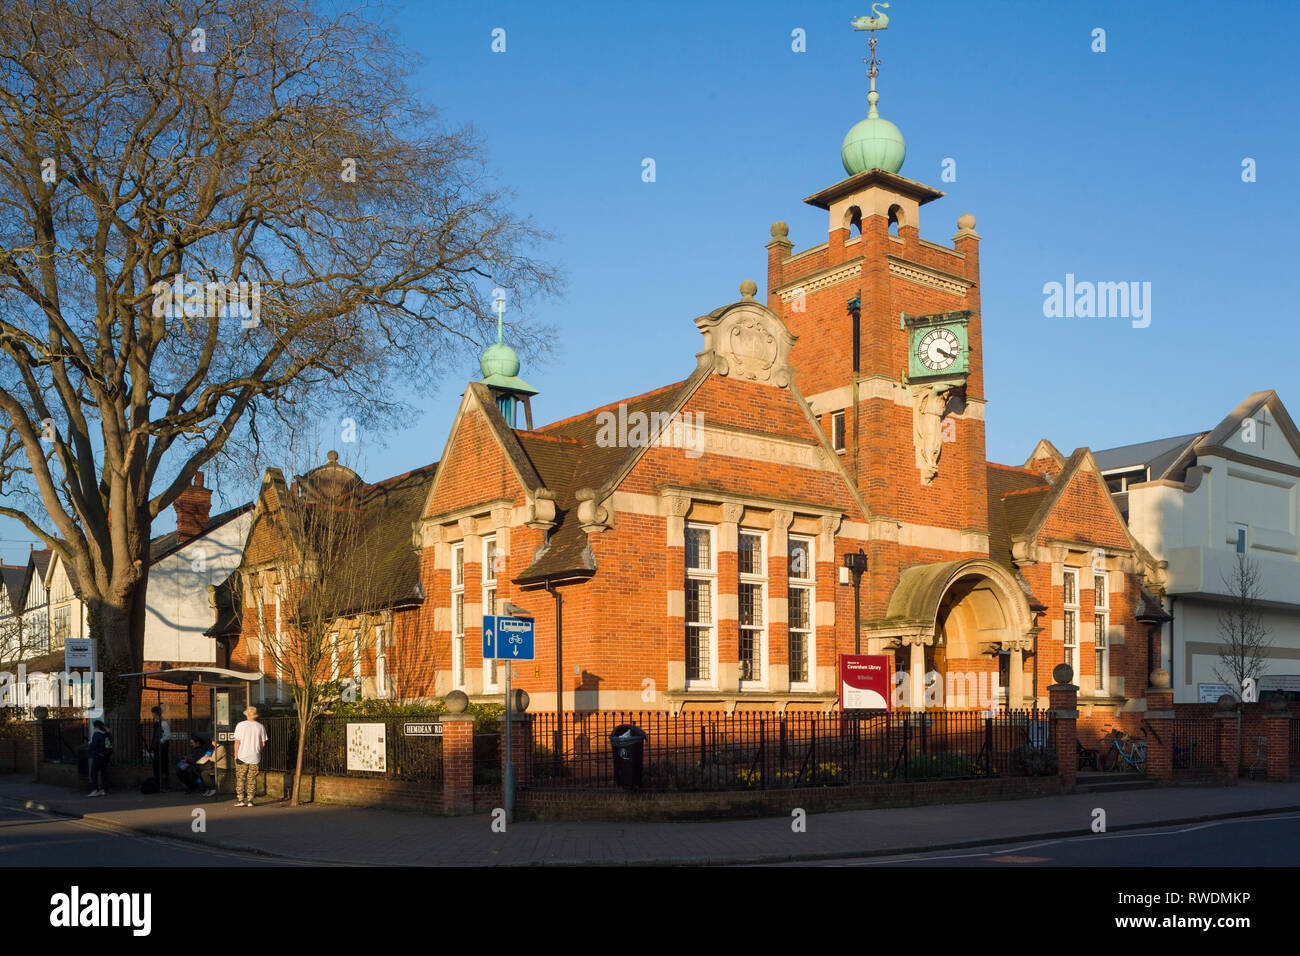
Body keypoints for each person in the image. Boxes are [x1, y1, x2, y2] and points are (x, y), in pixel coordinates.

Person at [232, 705, 268, 807]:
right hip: (255, 757)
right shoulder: (260, 727)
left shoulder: (240, 725)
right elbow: (263, 744)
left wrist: (236, 755)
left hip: (242, 755)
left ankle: (240, 799)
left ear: (246, 714)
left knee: (240, 778)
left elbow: (237, 742)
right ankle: (250, 800)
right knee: (252, 779)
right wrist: (258, 752)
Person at [146, 705, 171, 792]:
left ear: (155, 713)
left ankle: (164, 786)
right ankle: (158, 785)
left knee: (162, 766)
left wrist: (160, 741)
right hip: (157, 748)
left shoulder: (163, 723)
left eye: (152, 713)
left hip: (162, 749)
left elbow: (167, 735)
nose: (152, 715)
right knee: (157, 767)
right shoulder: (157, 722)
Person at [87, 720, 113, 797]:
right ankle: (103, 790)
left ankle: (95, 790)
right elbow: (110, 743)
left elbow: (93, 746)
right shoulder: (108, 733)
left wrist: (90, 744)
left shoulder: (97, 734)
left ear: (96, 726)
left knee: (93, 773)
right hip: (106, 756)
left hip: (98, 755)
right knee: (104, 773)